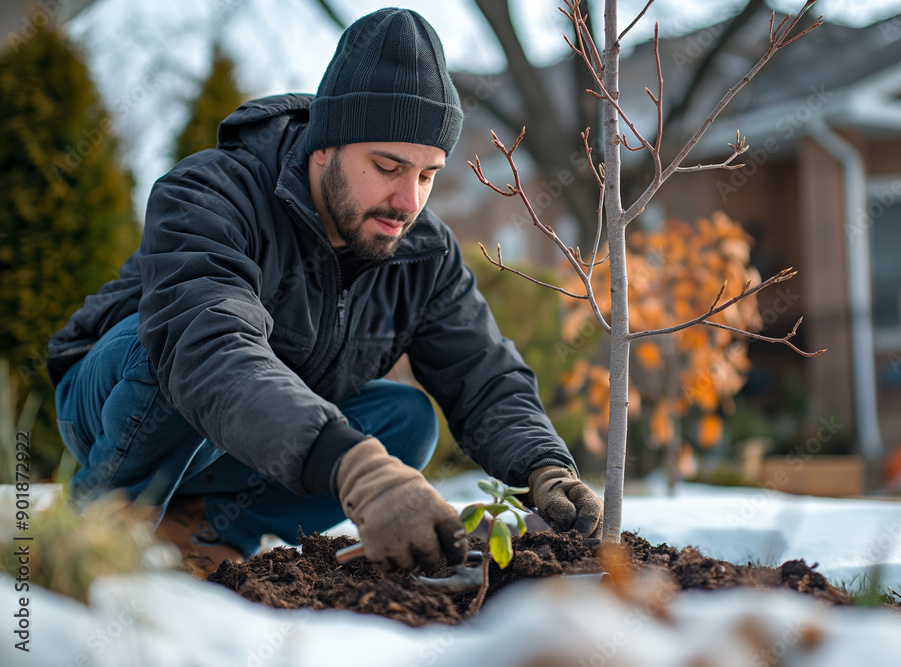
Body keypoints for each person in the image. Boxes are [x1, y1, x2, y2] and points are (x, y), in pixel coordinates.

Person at [46, 8, 602, 576]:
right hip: (119, 394)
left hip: (253, 436)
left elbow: (482, 375)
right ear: (324, 148)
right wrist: (354, 468)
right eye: (388, 166)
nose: (408, 202)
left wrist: (543, 465)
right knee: (174, 354)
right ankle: (107, 533)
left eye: (427, 175)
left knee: (406, 419)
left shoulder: (423, 253)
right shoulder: (211, 193)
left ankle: (208, 534)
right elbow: (207, 349)